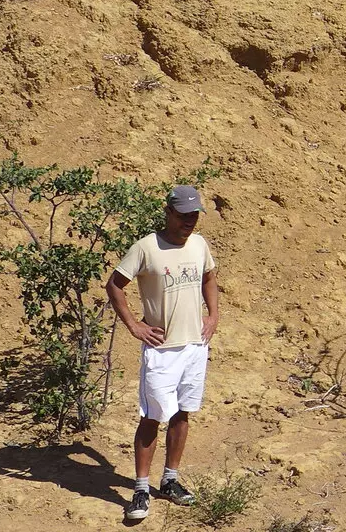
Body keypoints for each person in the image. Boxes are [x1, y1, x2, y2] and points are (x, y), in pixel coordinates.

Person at [106, 185, 219, 522]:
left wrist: (213, 315)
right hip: (161, 350)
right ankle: (141, 488)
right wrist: (134, 326)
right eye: (184, 215)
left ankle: (170, 480)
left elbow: (209, 277)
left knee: (183, 413)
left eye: (195, 215)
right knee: (152, 416)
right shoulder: (145, 248)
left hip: (195, 346)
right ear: (168, 212)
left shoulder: (199, 244)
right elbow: (115, 285)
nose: (190, 221)